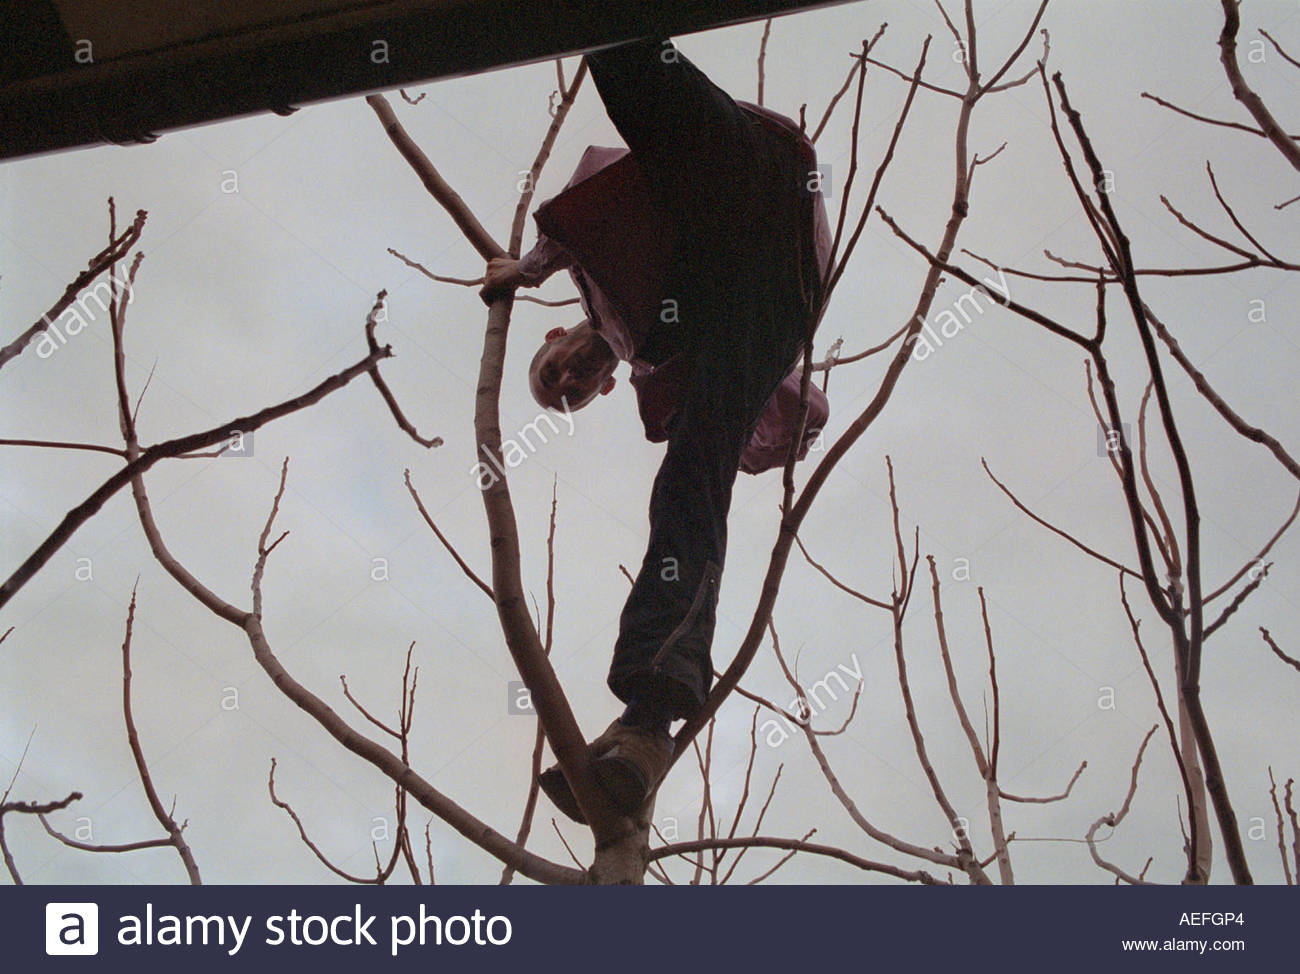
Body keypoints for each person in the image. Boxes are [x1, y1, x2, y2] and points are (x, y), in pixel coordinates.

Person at [483, 37, 831, 822]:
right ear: (604, 389)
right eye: (571, 396)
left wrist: (528, 268)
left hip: (748, 191)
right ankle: (647, 725)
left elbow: (601, 174)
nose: (569, 381)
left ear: (551, 339)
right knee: (686, 487)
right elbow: (800, 413)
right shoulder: (662, 365)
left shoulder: (595, 260)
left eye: (554, 373)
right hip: (752, 304)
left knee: (626, 66)